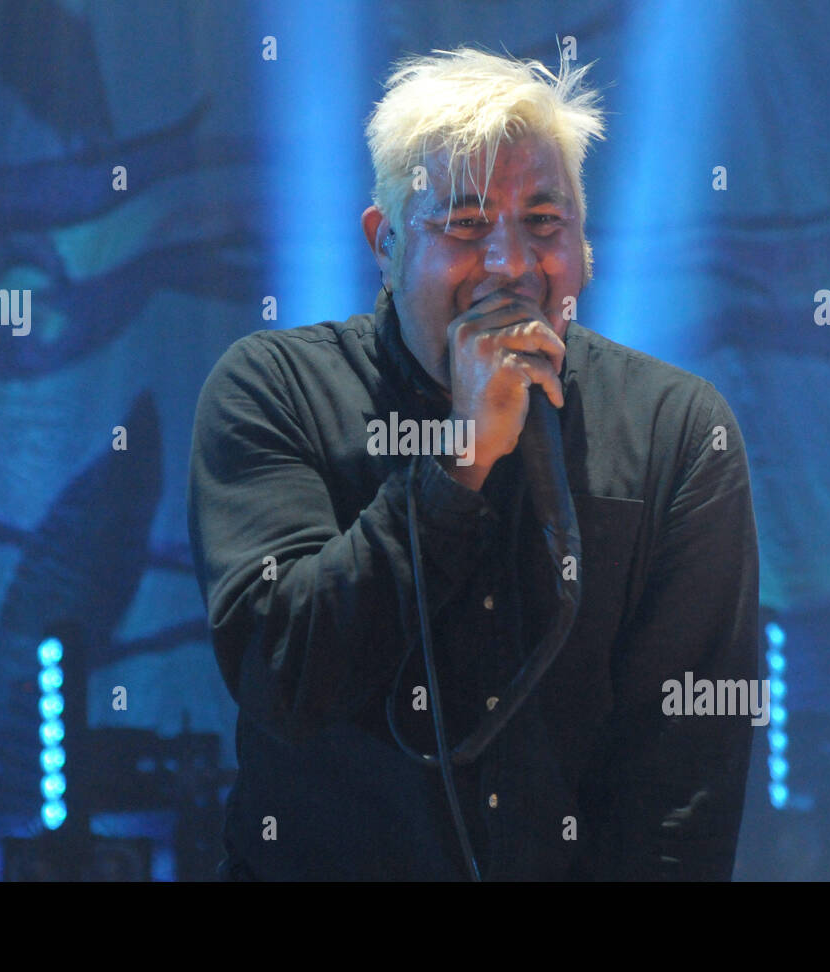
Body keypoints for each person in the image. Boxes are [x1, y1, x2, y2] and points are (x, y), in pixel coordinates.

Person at [188, 46, 760, 880]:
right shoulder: (272, 391)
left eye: (543, 222)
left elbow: (683, 777)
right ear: (384, 244)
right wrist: (459, 459)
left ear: (586, 244)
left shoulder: (676, 431)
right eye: (463, 225)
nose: (510, 264)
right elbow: (285, 677)